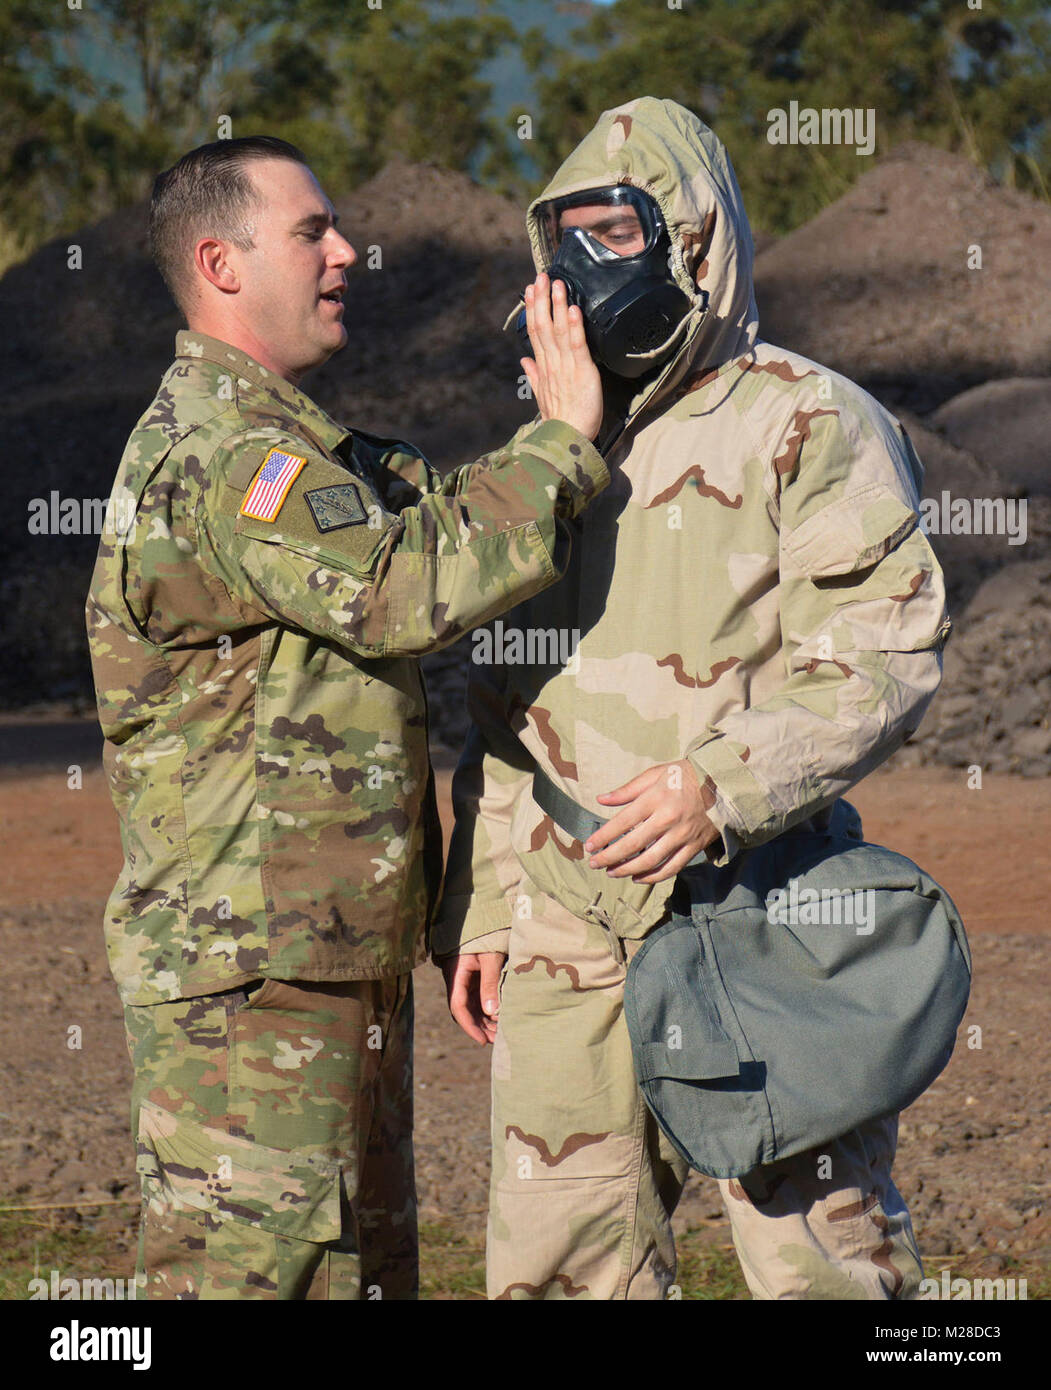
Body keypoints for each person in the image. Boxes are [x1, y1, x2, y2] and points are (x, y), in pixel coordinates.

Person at [436, 97, 952, 1300]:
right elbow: (505, 710)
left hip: (763, 912)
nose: (577, 272)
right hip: (569, 921)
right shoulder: (551, 450)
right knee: (559, 1271)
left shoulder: (806, 420)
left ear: (697, 243)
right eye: (558, 243)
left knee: (826, 1267)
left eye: (614, 236)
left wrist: (719, 785)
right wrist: (491, 906)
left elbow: (886, 647)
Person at [85, 135, 606, 1300]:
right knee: (254, 1280)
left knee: (359, 1274)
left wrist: (572, 428)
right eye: (311, 231)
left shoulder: (299, 453)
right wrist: (564, 444)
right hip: (249, 984)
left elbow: (434, 512)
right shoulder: (228, 459)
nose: (347, 251)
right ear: (221, 264)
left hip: (321, 963)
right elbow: (402, 585)